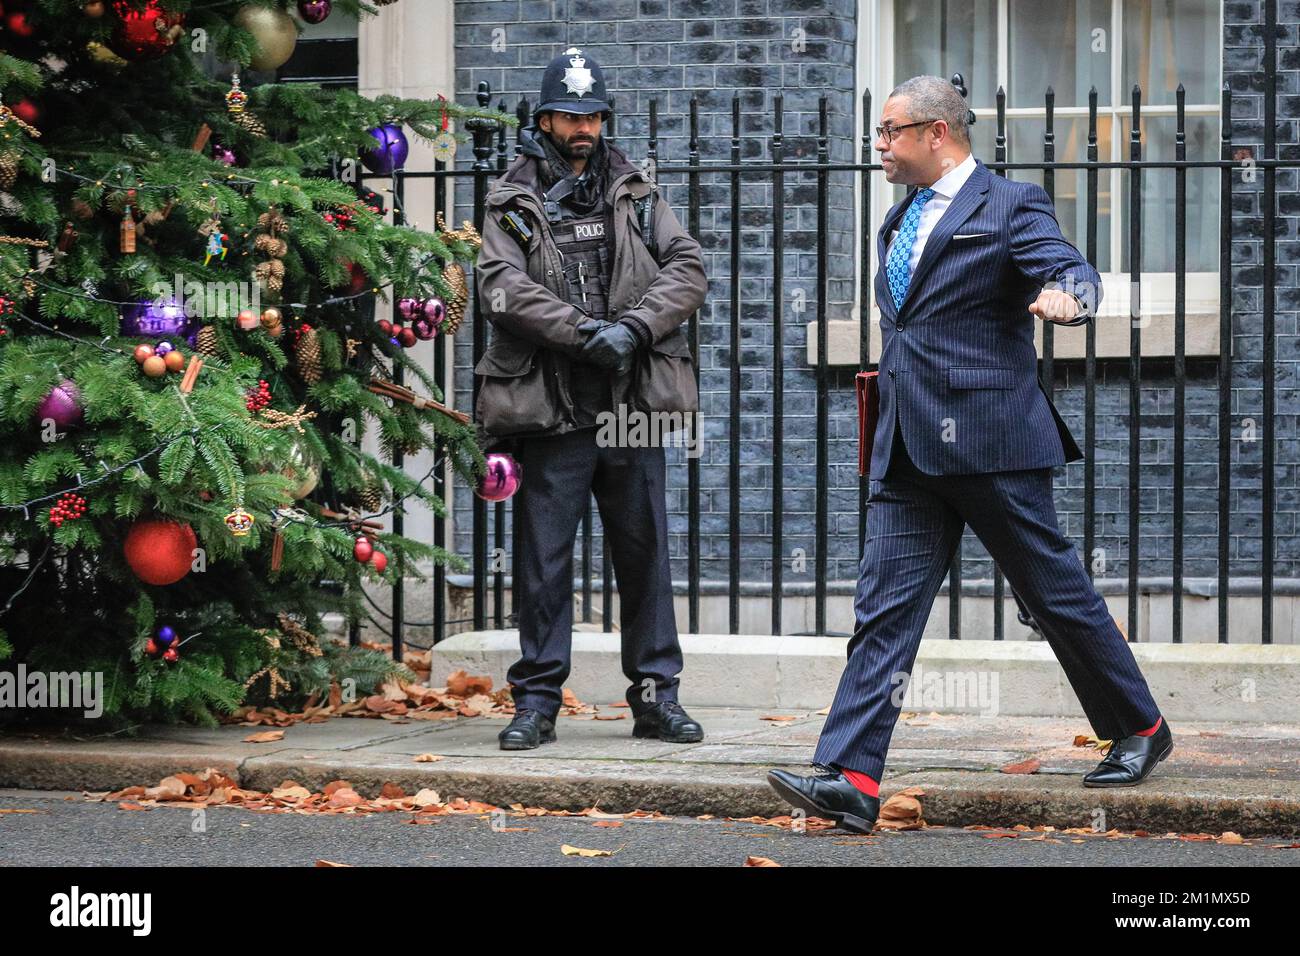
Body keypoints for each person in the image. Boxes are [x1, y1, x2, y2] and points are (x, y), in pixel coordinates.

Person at [766, 75, 1171, 834]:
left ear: (936, 134)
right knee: (883, 609)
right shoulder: (898, 222)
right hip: (907, 446)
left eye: (890, 132)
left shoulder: (1009, 204)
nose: (879, 146)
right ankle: (851, 775)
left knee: (1054, 595)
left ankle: (1141, 728)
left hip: (990, 442)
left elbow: (1071, 268)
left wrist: (1068, 298)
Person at [474, 47, 709, 751]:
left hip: (629, 400)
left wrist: (634, 328)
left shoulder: (636, 190)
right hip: (553, 406)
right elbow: (500, 287)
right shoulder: (510, 198)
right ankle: (538, 702)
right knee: (544, 559)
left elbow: (688, 265)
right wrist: (582, 333)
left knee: (644, 553)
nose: (583, 127)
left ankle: (656, 698)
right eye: (571, 115)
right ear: (544, 118)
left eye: (593, 115)